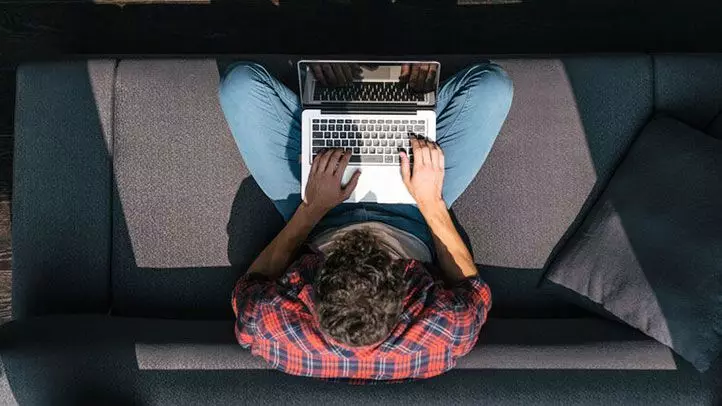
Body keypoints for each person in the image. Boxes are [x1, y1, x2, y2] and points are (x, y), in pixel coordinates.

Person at [219, 61, 513, 382]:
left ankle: (337, 92)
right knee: (493, 86)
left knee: (239, 85)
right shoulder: (442, 330)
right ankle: (395, 94)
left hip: (319, 216)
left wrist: (311, 209)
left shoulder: (272, 323)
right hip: (415, 213)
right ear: (403, 293)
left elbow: (250, 286)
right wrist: (431, 202)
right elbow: (475, 292)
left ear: (313, 292)